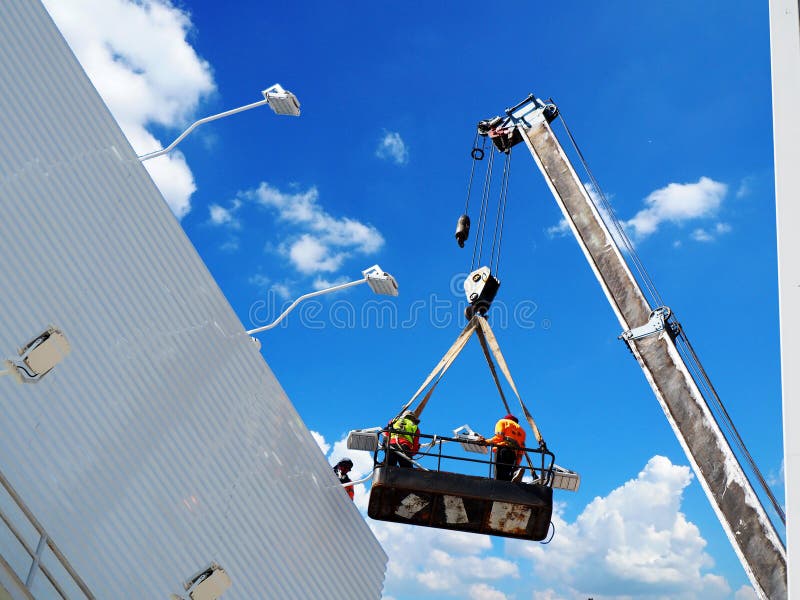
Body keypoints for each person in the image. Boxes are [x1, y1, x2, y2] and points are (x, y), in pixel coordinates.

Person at [480, 414, 526, 481]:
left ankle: (512, 476)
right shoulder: (522, 431)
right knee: (507, 474)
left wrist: (486, 441)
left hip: (502, 450)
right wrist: (517, 464)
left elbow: (499, 437)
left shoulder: (503, 422)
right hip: (513, 455)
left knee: (499, 476)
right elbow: (521, 450)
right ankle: (514, 474)